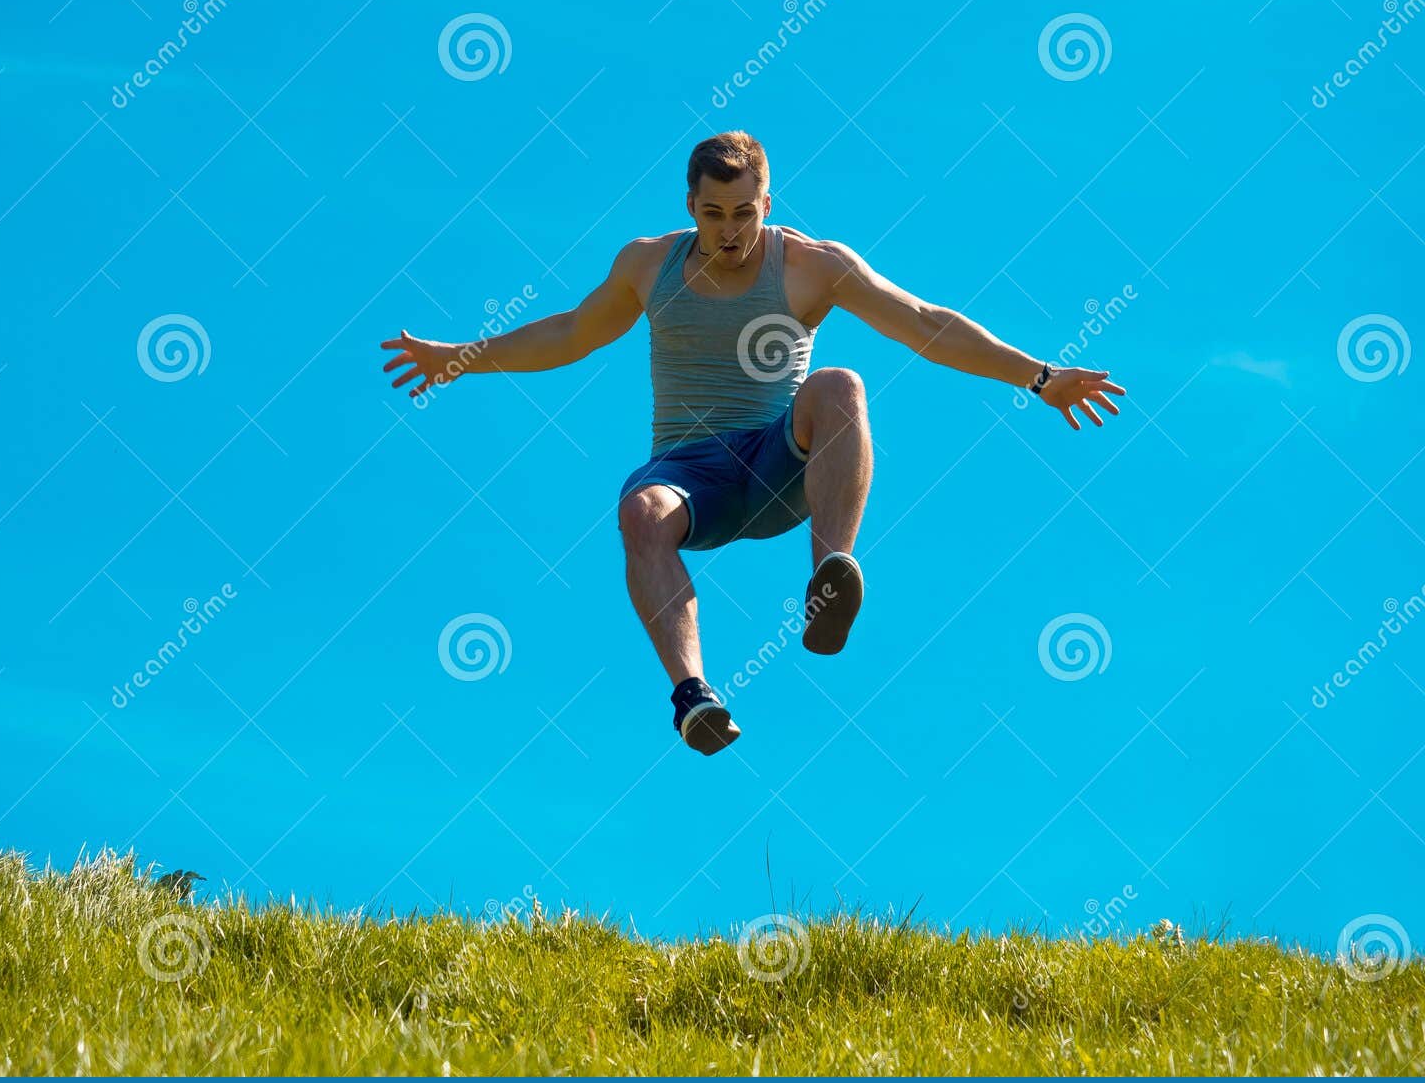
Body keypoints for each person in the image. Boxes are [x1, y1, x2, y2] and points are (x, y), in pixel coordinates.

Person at [381, 131, 1125, 757]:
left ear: (767, 206)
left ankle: (830, 575)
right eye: (713, 214)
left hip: (779, 462)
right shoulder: (648, 264)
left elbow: (924, 321)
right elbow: (572, 332)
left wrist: (1039, 376)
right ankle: (692, 696)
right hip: (690, 471)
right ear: (690, 207)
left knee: (840, 384)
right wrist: (462, 356)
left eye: (743, 213)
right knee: (640, 510)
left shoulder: (811, 266)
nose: (728, 230)